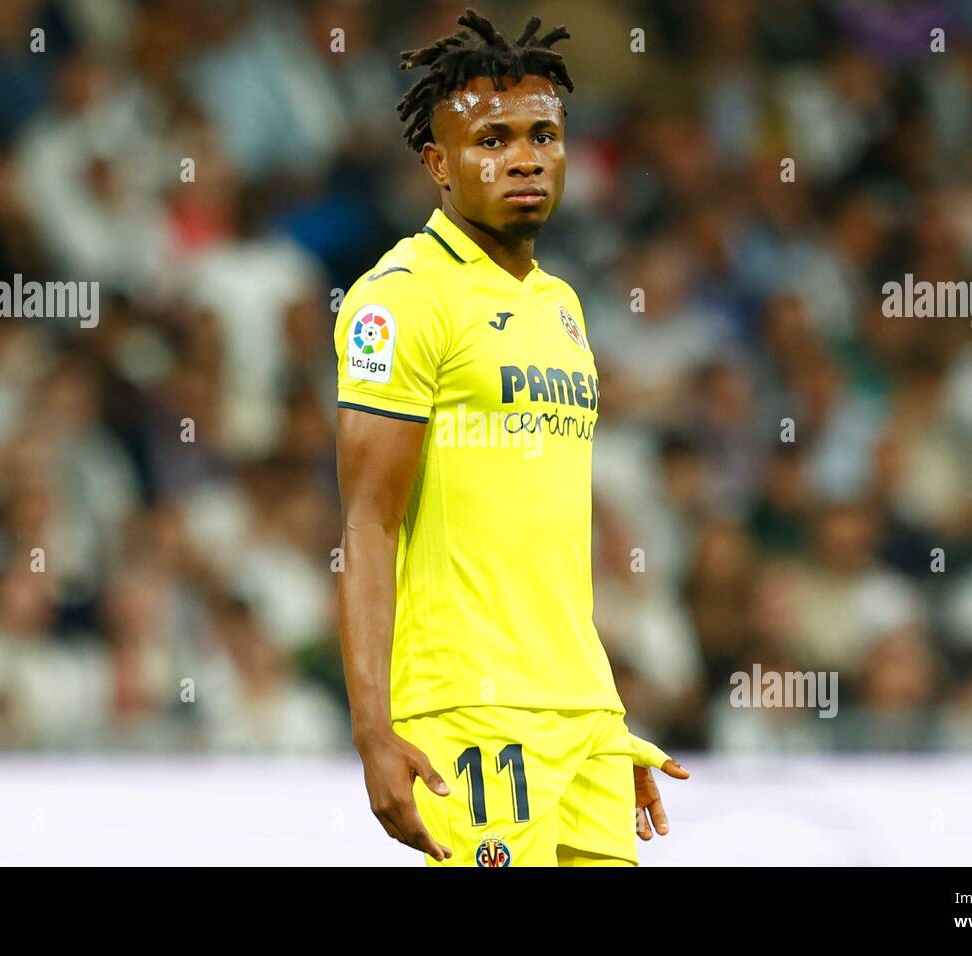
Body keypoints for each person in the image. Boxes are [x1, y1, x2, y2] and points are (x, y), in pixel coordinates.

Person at [334, 8, 688, 867]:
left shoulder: (561, 307)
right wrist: (373, 729)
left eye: (542, 134)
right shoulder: (401, 298)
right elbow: (367, 525)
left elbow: (542, 531)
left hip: (583, 718)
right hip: (472, 711)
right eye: (491, 138)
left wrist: (599, 713)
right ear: (438, 164)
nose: (524, 155)